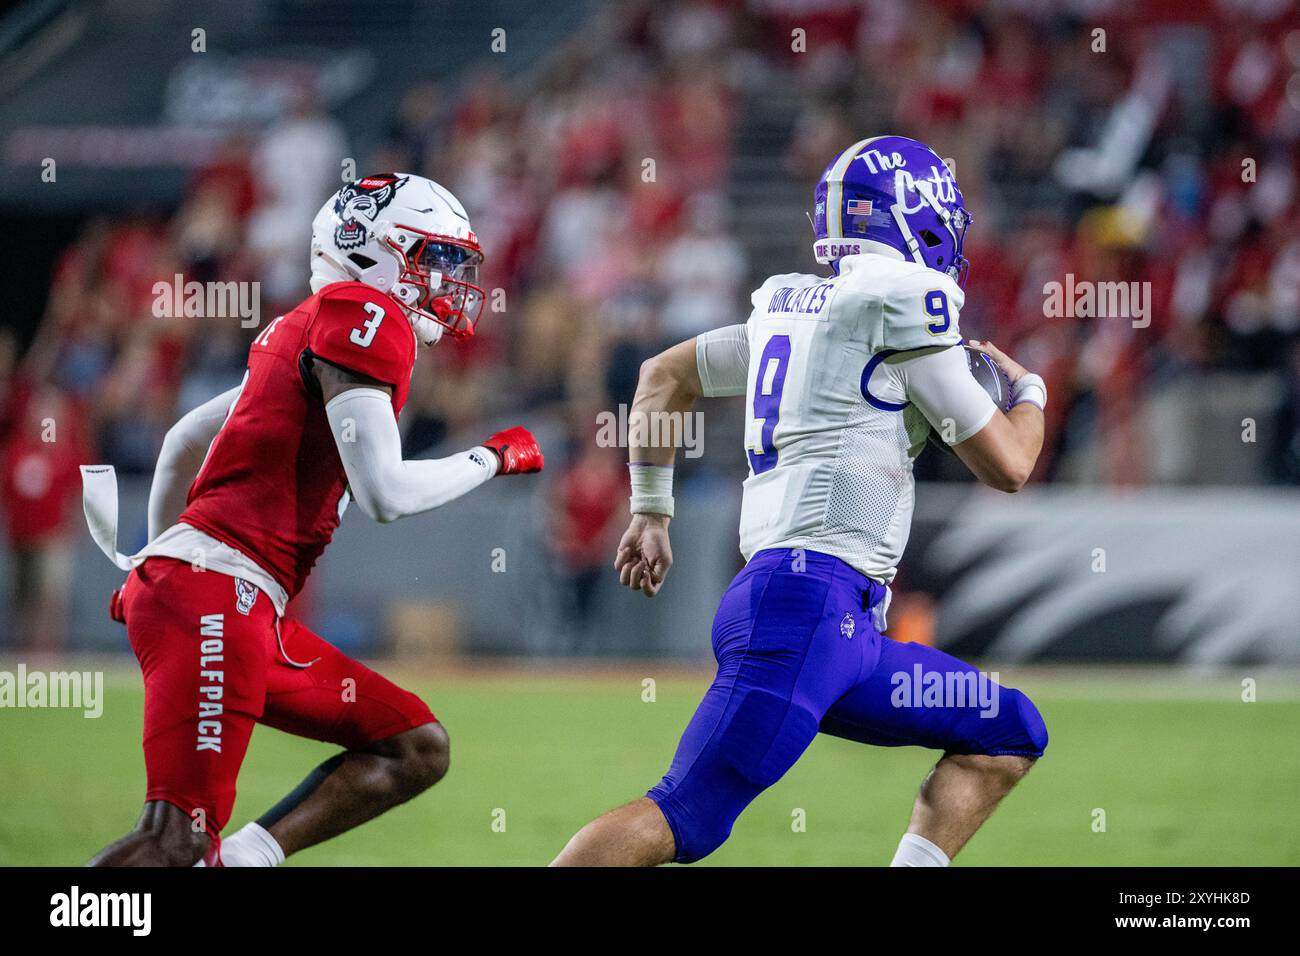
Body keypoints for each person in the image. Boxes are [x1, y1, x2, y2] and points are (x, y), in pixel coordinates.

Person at [552, 136, 1048, 867]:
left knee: (1007, 730)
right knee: (682, 817)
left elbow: (662, 376)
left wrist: (652, 512)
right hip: (805, 610)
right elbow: (1010, 464)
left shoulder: (800, 309)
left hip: (831, 622)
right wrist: (1030, 393)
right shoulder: (898, 304)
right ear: (917, 217)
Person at [81, 173, 544, 867]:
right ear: (370, 250)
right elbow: (385, 493)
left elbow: (183, 440)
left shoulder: (305, 324)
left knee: (414, 744)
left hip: (225, 594)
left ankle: (245, 859)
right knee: (171, 841)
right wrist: (494, 457)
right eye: (434, 258)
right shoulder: (365, 315)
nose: (448, 281)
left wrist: (159, 555)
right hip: (218, 593)